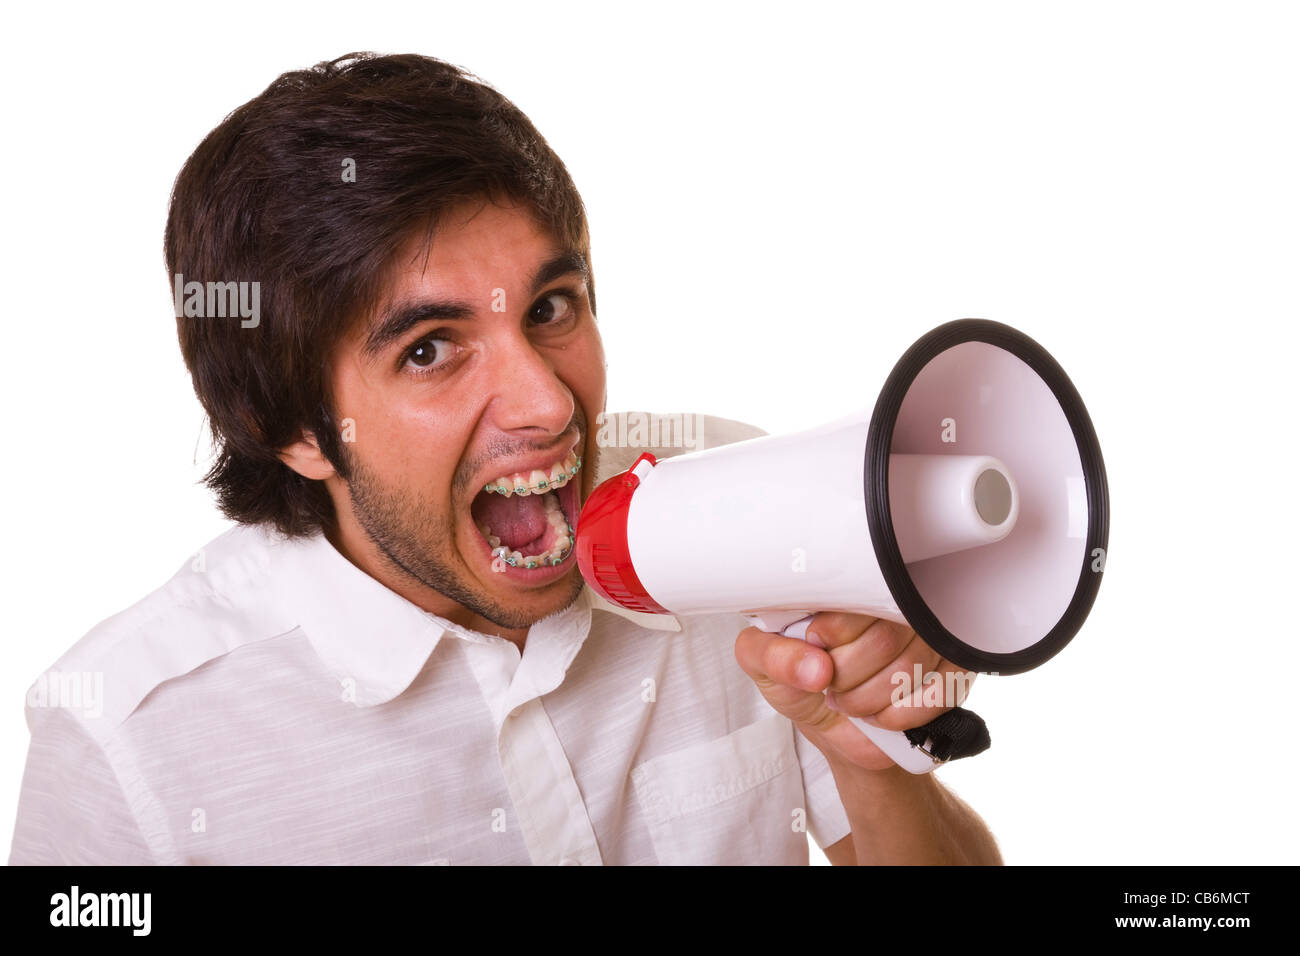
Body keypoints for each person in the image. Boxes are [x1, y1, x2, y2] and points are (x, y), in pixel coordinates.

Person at [9, 52, 1001, 865]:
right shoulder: (124, 746)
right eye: (429, 349)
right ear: (293, 428)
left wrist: (869, 757)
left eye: (550, 308)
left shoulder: (733, 511)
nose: (544, 401)